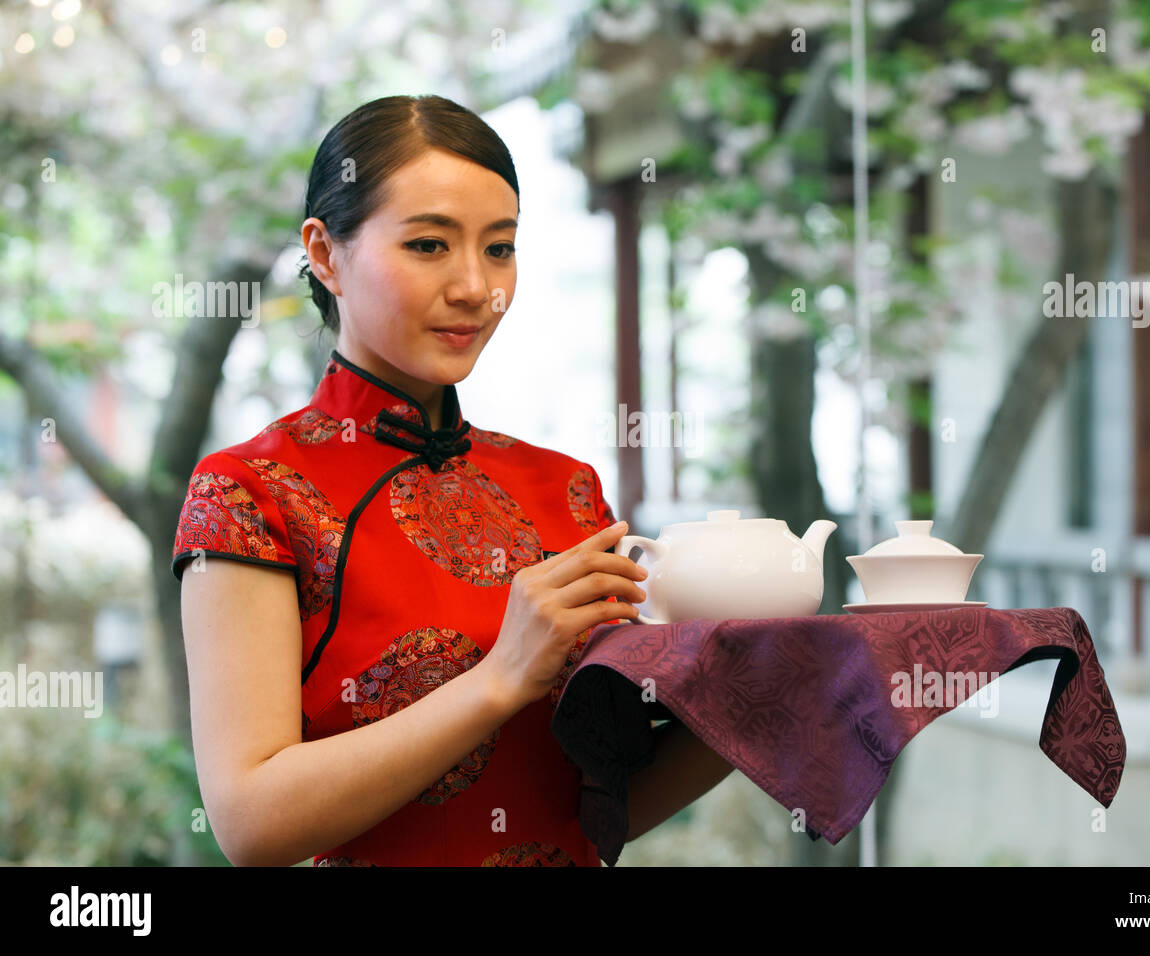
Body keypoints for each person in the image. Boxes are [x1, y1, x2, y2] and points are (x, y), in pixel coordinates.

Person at [172, 94, 734, 866]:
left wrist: (768, 703)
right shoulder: (249, 492)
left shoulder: (566, 489)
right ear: (326, 252)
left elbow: (605, 804)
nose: (477, 286)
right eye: (431, 245)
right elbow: (249, 823)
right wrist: (501, 678)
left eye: (499, 248)